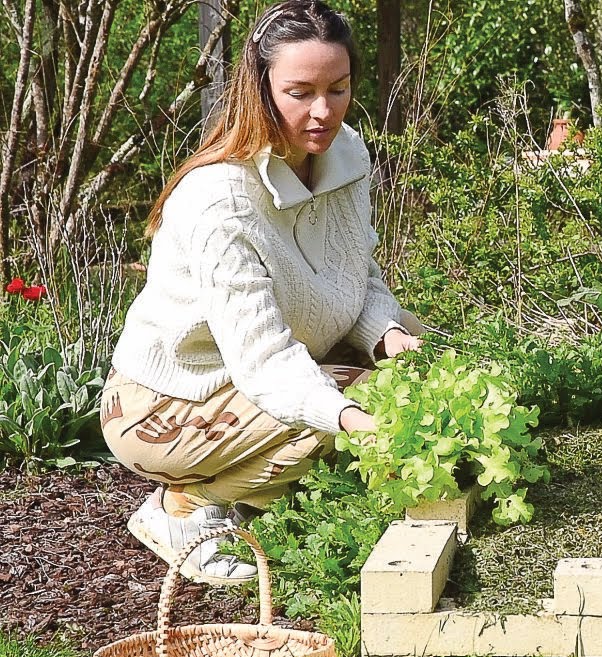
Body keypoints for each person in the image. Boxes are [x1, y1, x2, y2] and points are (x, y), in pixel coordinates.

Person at [101, 0, 420, 585]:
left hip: (266, 369)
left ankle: (253, 494)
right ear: (261, 89)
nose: (324, 111)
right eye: (300, 93)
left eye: (339, 89)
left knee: (409, 360)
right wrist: (356, 421)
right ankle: (182, 510)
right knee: (347, 409)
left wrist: (388, 335)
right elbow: (265, 362)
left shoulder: (345, 154)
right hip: (171, 402)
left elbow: (356, 273)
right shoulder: (221, 200)